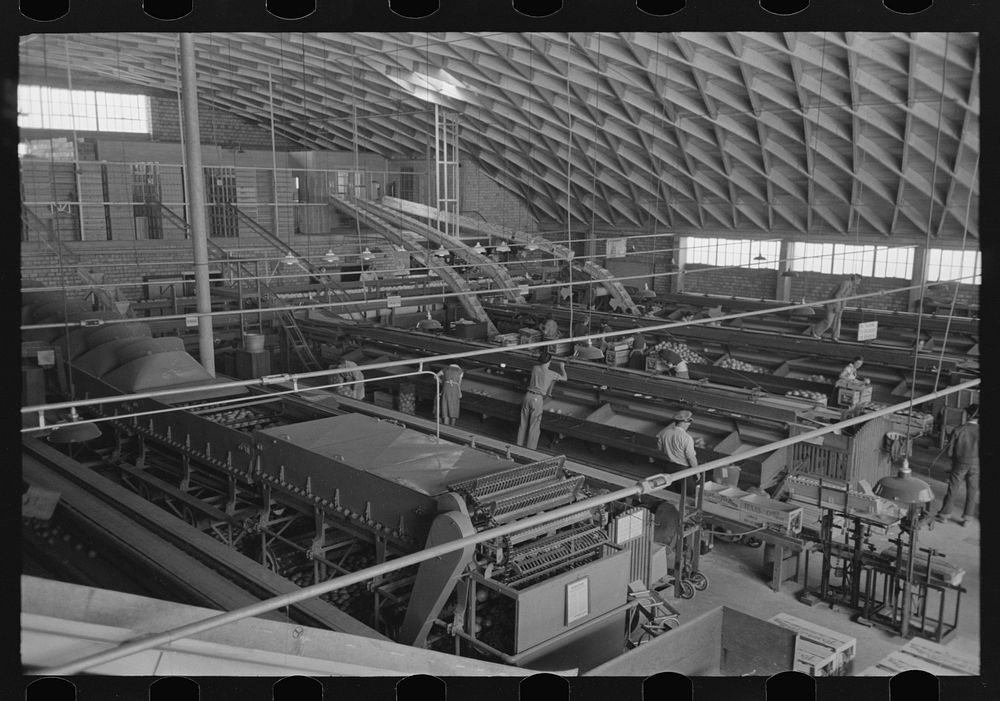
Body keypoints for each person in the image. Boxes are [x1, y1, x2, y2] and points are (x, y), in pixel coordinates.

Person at [935, 404, 980, 526]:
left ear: (968, 414)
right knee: (972, 490)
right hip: (976, 464)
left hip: (960, 463)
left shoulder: (959, 429)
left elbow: (949, 452)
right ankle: (967, 519)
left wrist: (955, 457)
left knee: (953, 489)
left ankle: (944, 515)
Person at [516, 350, 568, 450]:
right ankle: (531, 450)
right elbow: (565, 378)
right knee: (534, 426)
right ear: (549, 361)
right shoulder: (551, 374)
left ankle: (518, 446)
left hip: (527, 396)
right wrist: (562, 367)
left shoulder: (535, 368)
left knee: (523, 423)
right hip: (537, 399)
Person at [807, 274, 862, 340]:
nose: (859, 282)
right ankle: (815, 331)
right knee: (829, 321)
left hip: (840, 305)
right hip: (833, 305)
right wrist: (837, 307)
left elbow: (846, 296)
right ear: (855, 279)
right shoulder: (846, 283)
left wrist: (853, 293)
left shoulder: (852, 286)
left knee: (837, 321)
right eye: (859, 280)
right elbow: (837, 295)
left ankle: (835, 336)